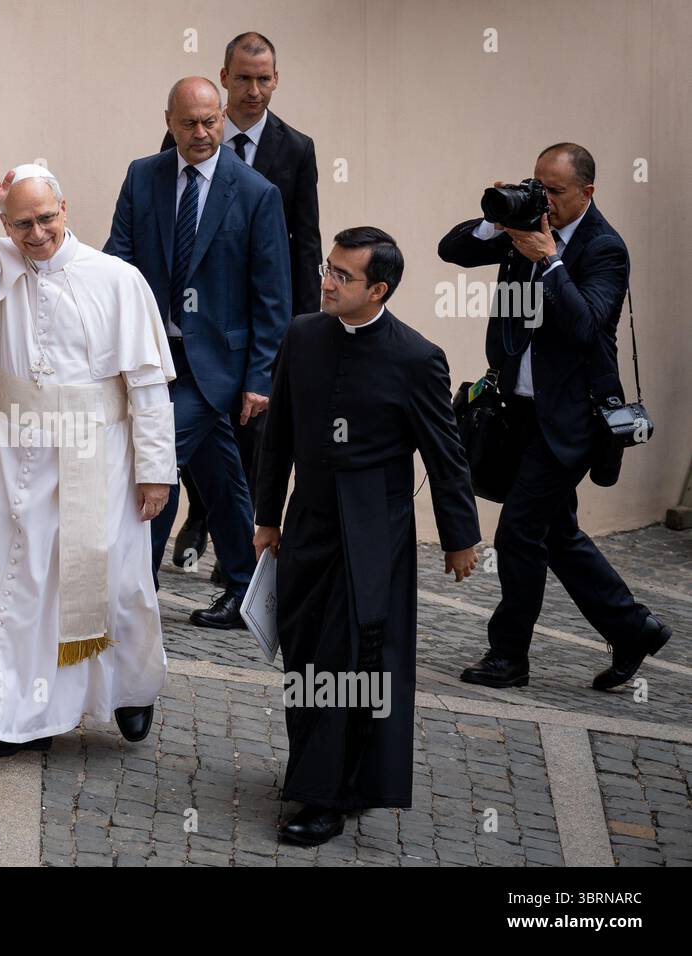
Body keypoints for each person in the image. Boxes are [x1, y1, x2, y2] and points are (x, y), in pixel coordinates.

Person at [0, 153, 177, 757]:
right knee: (17, 583)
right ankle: (13, 716)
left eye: (45, 219)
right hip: (15, 450)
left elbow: (146, 383)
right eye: (20, 225)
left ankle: (129, 688)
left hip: (100, 453)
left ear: (65, 209)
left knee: (117, 581)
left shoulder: (117, 278)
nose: (36, 235)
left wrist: (156, 471)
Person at [254, 228, 480, 846]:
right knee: (304, 655)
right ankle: (315, 771)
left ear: (377, 289)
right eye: (328, 269)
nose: (327, 282)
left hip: (373, 533)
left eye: (343, 276)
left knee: (349, 662)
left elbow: (445, 454)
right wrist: (267, 516)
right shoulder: (302, 335)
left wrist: (461, 538)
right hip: (308, 521)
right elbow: (280, 434)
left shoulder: (417, 357)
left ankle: (326, 797)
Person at [438, 143, 671, 690]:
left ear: (587, 192)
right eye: (537, 186)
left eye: (556, 191)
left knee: (520, 532)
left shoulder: (604, 248)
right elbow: (451, 250)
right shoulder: (527, 228)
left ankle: (508, 656)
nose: (545, 198)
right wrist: (500, 220)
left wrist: (550, 259)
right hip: (515, 411)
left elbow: (586, 326)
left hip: (570, 417)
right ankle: (633, 628)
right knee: (556, 532)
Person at [106, 76, 291, 629]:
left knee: (152, 459)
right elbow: (118, 260)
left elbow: (273, 297)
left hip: (216, 367)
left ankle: (136, 584)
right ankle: (248, 588)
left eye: (211, 121)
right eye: (189, 123)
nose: (202, 133)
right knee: (220, 475)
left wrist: (260, 376)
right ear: (169, 121)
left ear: (224, 118)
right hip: (149, 355)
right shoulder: (144, 176)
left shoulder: (257, 193)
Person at [160, 32, 322, 571]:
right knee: (204, 450)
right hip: (185, 329)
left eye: (265, 78)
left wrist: (297, 335)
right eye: (244, 78)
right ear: (225, 77)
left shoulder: (294, 150)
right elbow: (167, 229)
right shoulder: (187, 133)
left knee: (244, 449)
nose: (254, 90)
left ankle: (215, 555)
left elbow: (303, 246)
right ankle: (223, 553)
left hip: (249, 330)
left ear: (276, 80)